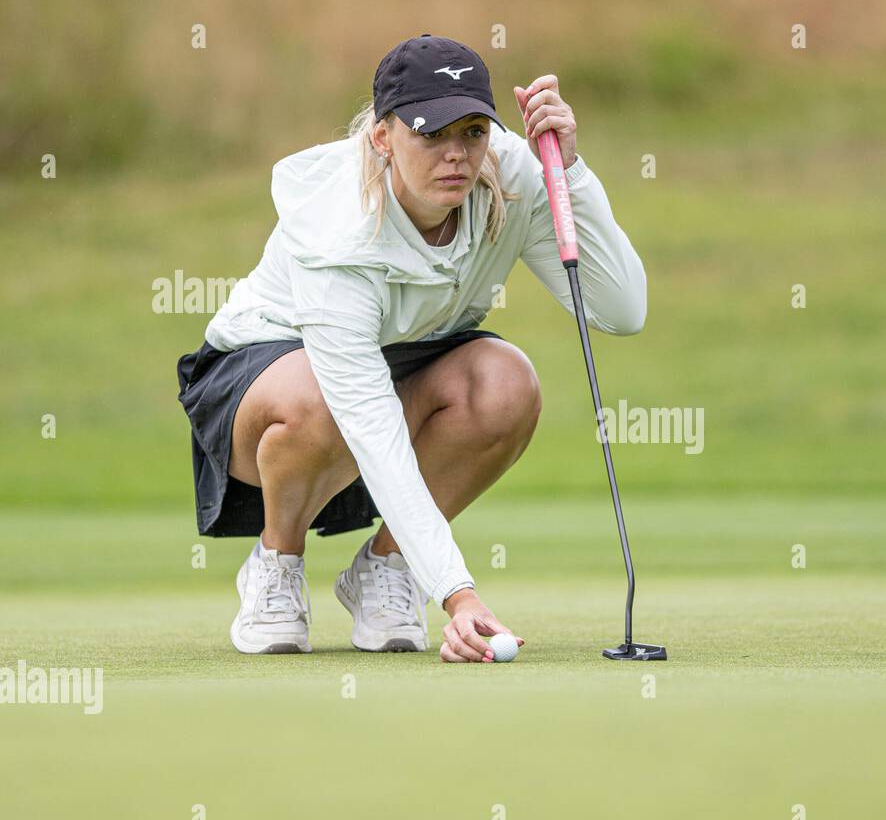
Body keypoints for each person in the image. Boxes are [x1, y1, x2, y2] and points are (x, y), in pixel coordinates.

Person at [175, 35, 647, 661]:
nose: (456, 155)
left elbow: (619, 310)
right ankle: (278, 563)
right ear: (382, 137)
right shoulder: (339, 233)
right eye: (431, 134)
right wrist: (457, 593)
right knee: (321, 398)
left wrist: (570, 173)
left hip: (409, 363)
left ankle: (384, 567)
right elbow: (367, 420)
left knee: (506, 382)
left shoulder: (510, 174)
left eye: (473, 131)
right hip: (266, 381)